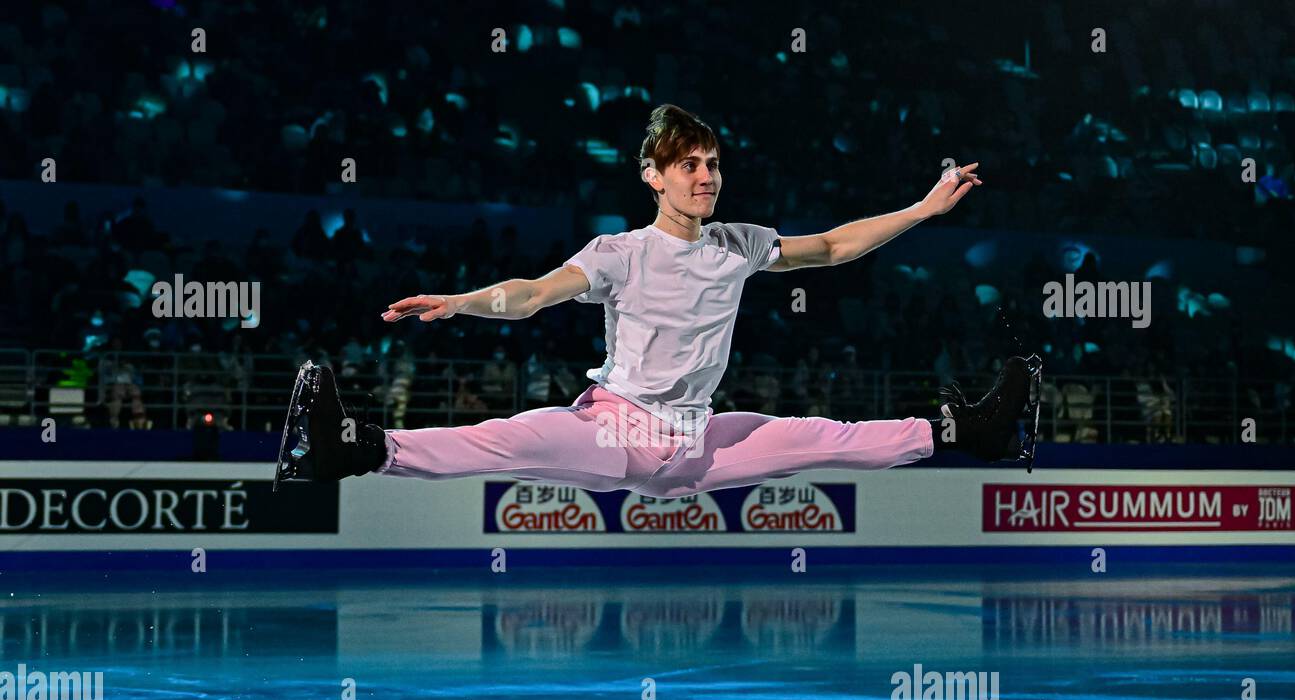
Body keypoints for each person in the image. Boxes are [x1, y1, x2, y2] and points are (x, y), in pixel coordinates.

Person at [276, 104, 1040, 494]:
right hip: (619, 434)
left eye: (712, 164)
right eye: (688, 166)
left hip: (696, 442)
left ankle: (975, 429)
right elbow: (534, 295)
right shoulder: (621, 253)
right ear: (653, 175)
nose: (705, 177)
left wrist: (922, 209)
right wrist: (464, 300)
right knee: (507, 439)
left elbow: (835, 246)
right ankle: (355, 447)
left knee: (825, 436)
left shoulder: (739, 244)